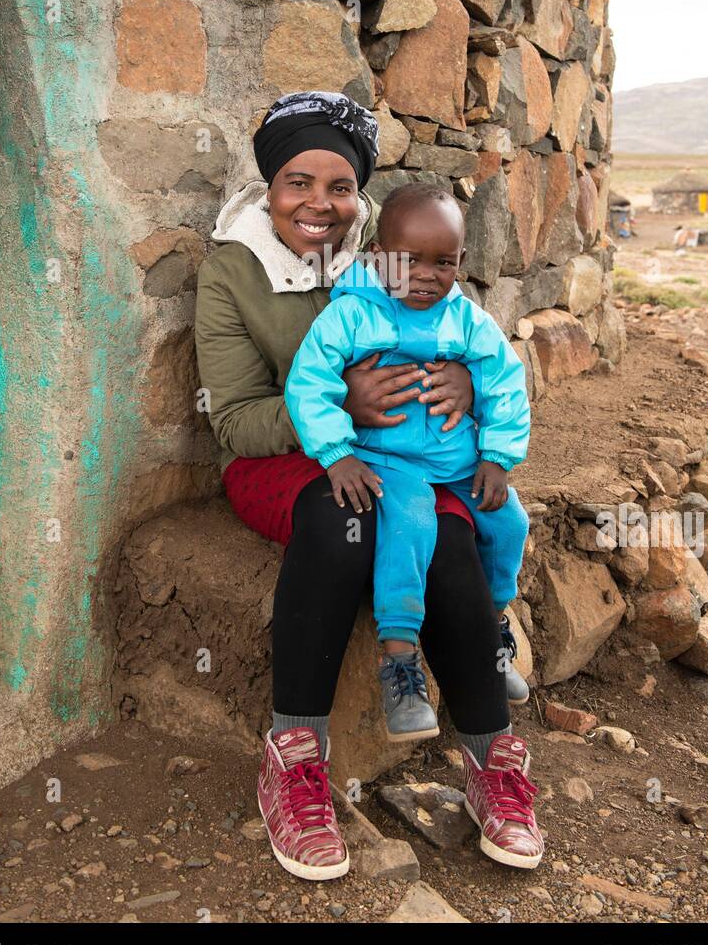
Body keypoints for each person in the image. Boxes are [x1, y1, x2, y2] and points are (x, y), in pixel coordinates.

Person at [194, 90, 544, 880]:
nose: (319, 204)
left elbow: (484, 352)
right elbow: (234, 421)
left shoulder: (396, 251)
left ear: (362, 196)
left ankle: (493, 762)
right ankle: (295, 757)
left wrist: (459, 382)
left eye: (340, 187)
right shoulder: (232, 273)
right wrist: (341, 406)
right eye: (297, 182)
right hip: (283, 460)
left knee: (453, 533)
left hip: (404, 459)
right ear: (268, 186)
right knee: (349, 520)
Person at [283, 183, 531, 746]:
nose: (425, 275)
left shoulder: (466, 321)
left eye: (442, 263)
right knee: (414, 519)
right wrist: (337, 454)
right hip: (385, 458)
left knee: (509, 520)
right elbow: (309, 387)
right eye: (409, 260)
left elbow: (505, 385)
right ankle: (399, 656)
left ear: (461, 264)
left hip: (456, 461)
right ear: (375, 257)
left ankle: (493, 627)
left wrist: (496, 455)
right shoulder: (349, 317)